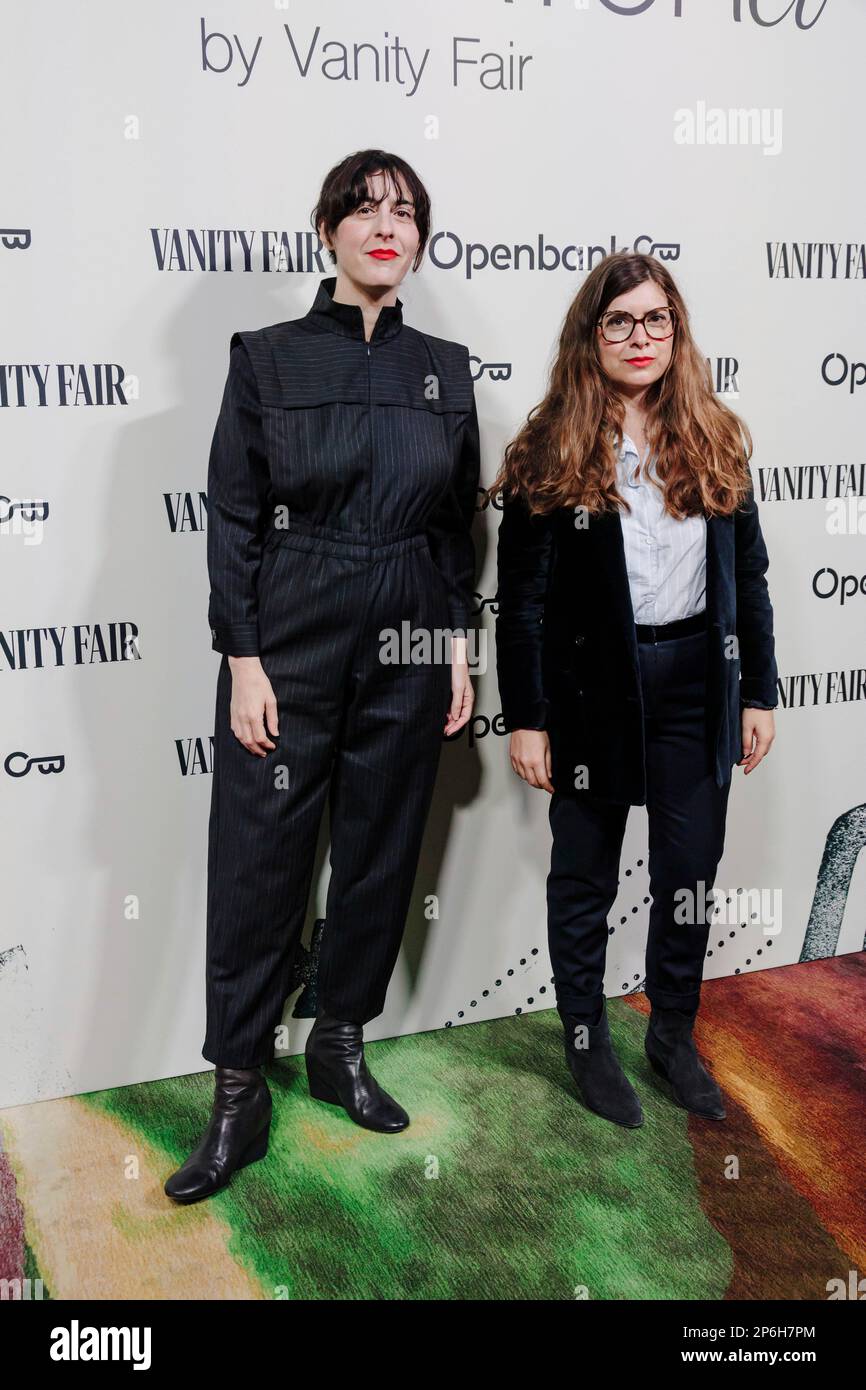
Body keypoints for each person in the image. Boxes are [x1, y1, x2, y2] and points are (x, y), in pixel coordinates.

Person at [165, 150, 480, 1203]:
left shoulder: (443, 366)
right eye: (363, 208)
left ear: (417, 240)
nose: (383, 225)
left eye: (404, 212)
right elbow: (237, 518)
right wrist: (243, 658)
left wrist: (453, 644)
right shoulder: (265, 357)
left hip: (406, 626)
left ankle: (340, 1041)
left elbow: (452, 526)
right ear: (327, 231)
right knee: (259, 857)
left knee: (381, 846)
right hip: (291, 631)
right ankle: (238, 1090)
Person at [491, 251, 777, 1129]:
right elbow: (523, 604)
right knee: (585, 877)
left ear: (676, 330)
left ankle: (672, 1037)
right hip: (592, 694)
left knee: (690, 871)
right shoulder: (552, 447)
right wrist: (528, 719)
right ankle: (586, 1043)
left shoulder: (716, 434)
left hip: (697, 684)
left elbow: (751, 577)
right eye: (619, 322)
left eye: (656, 319)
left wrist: (758, 690)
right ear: (592, 336)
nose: (640, 337)